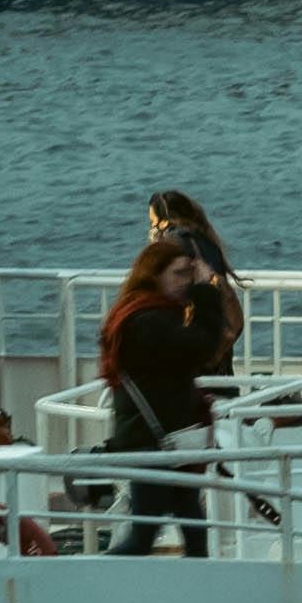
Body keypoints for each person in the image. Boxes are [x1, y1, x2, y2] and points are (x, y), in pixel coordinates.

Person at [98, 235, 221, 560]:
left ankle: (196, 588)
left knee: (191, 529)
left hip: (164, 439)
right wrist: (206, 289)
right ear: (155, 275)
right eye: (179, 274)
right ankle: (80, 583)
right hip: (152, 442)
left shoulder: (148, 314)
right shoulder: (147, 322)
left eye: (188, 274)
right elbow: (203, 347)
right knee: (143, 536)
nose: (186, 282)